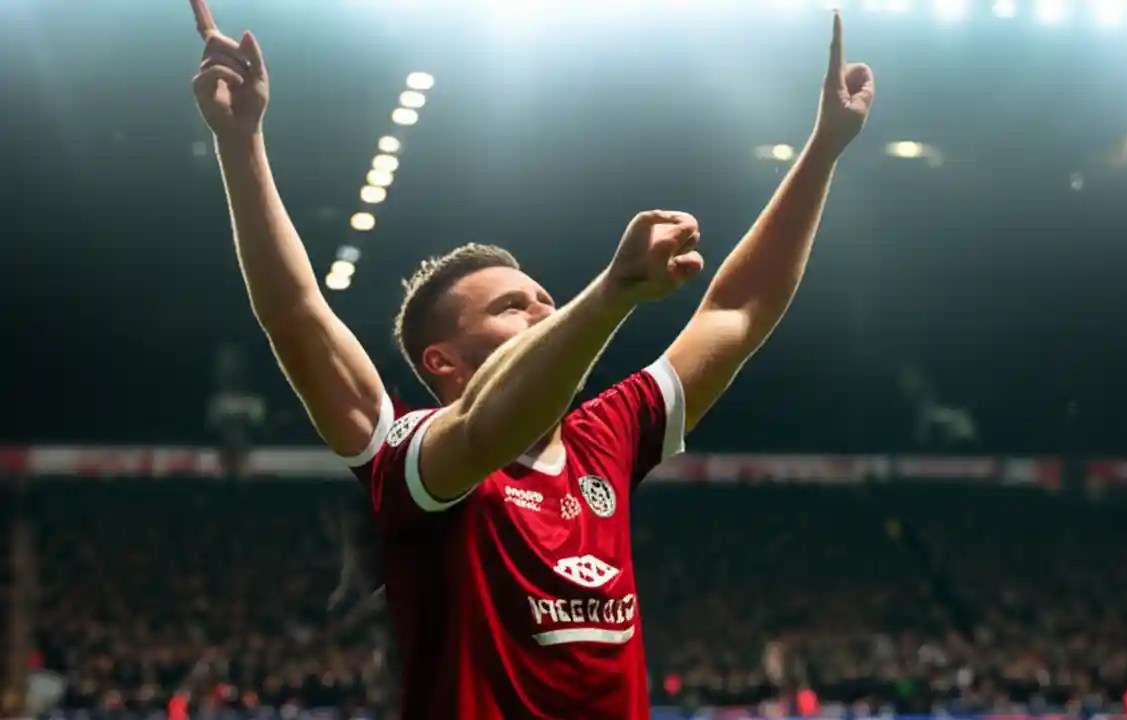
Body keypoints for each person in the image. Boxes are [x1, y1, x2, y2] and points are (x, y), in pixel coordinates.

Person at [187, 0, 875, 716]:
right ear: (443, 362)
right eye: (511, 307)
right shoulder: (410, 456)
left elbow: (738, 311)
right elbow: (299, 316)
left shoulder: (605, 437)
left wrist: (824, 148)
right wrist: (240, 142)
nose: (544, 312)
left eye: (545, 299)